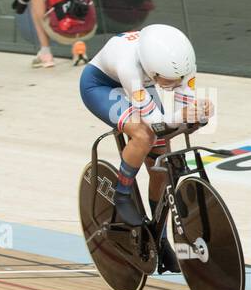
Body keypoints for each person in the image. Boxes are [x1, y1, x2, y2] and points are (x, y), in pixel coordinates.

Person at [79, 26, 212, 262]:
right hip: (102, 86)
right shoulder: (129, 65)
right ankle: (122, 194)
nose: (175, 84)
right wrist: (183, 117)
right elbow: (155, 125)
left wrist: (198, 115)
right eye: (169, 82)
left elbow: (182, 112)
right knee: (143, 136)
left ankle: (158, 237)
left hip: (144, 85)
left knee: (162, 165)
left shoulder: (181, 63)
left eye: (179, 81)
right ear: (153, 71)